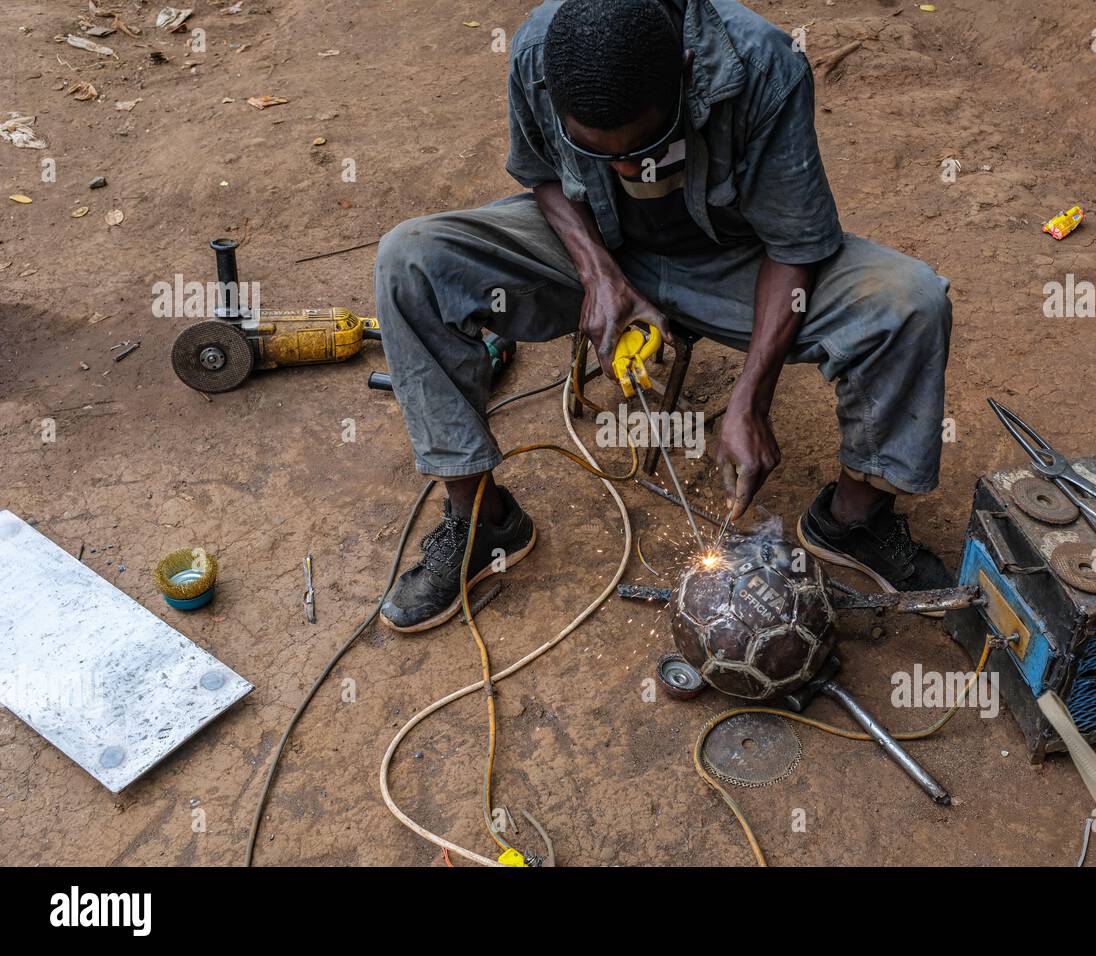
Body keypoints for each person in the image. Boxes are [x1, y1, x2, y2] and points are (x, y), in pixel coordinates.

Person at [374, 0, 953, 632]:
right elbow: (541, 174)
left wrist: (750, 398)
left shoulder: (760, 65)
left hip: (736, 262)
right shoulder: (543, 53)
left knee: (909, 303)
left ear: (683, 71)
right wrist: (598, 272)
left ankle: (853, 519)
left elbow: (794, 246)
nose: (627, 169)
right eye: (601, 152)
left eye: (644, 146)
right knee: (412, 259)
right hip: (596, 247)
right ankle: (481, 518)